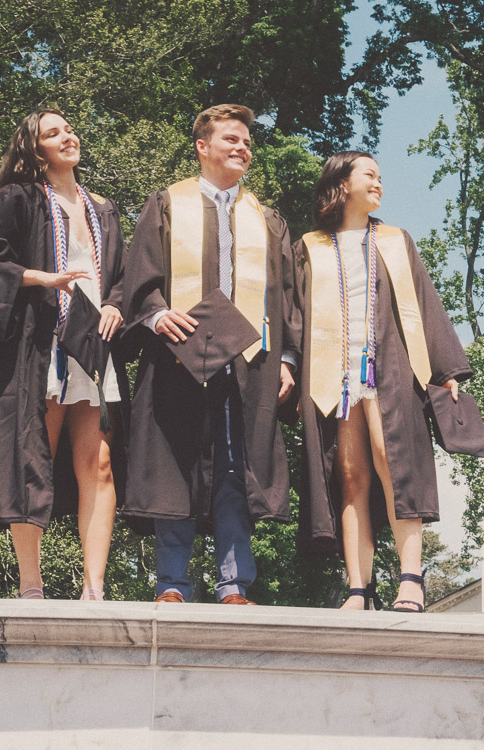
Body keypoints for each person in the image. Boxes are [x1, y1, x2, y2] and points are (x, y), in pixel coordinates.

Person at [120, 104, 300, 605]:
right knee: (173, 460)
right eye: (231, 140)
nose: (242, 147)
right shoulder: (167, 204)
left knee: (233, 466)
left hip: (248, 363)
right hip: (178, 355)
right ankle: (172, 582)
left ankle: (233, 584)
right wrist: (156, 315)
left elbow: (284, 295)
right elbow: (140, 274)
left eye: (246, 141)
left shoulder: (265, 219)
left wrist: (287, 358)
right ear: (203, 147)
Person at [295, 152, 472, 612]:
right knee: (350, 476)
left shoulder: (395, 241)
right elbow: (294, 315)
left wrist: (448, 370)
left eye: (380, 176)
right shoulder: (311, 246)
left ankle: (411, 580)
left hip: (390, 369)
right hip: (334, 374)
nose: (378, 183)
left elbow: (426, 302)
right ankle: (359, 586)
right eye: (369, 175)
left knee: (394, 466)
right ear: (342, 183)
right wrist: (291, 368)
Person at [0, 109, 125, 600]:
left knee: (98, 464)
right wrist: (40, 278)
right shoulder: (20, 200)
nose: (67, 136)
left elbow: (120, 275)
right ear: (35, 149)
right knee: (34, 455)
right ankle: (30, 584)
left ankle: (93, 587)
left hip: (94, 342)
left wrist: (116, 304)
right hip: (43, 343)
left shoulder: (104, 208)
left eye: (69, 128)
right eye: (53, 132)